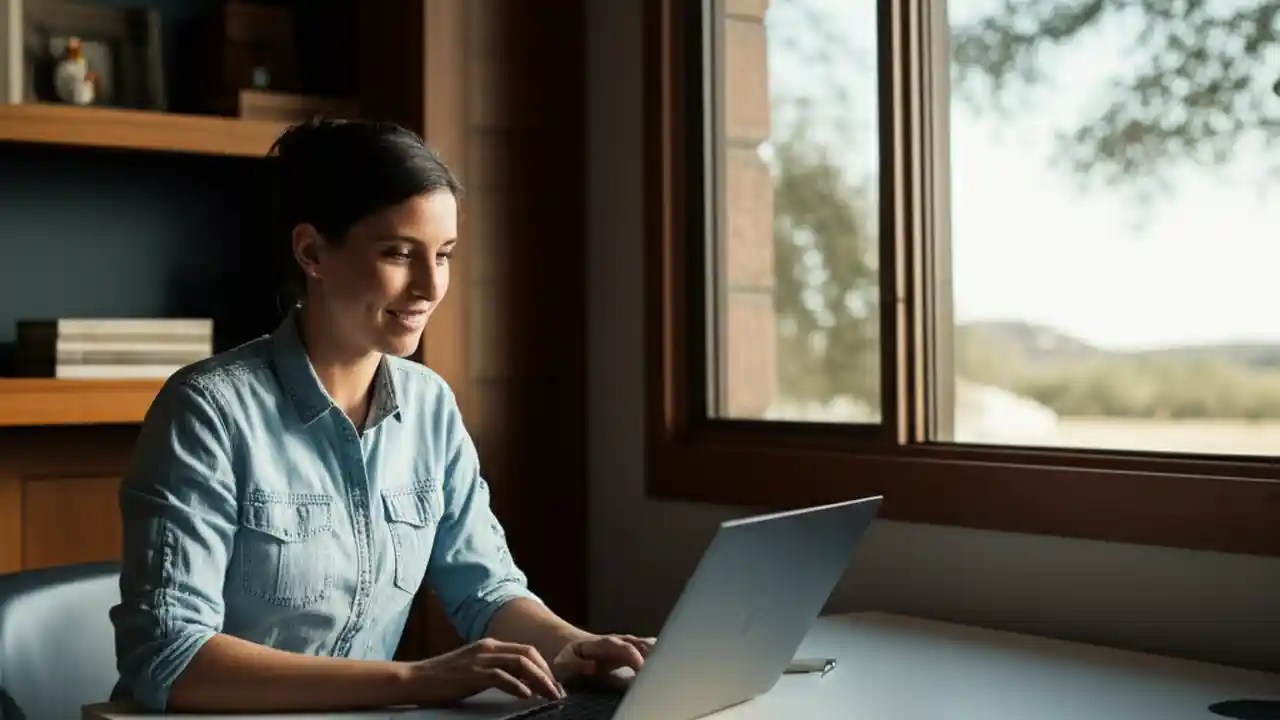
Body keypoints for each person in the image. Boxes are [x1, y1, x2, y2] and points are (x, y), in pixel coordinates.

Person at [110, 118, 651, 713]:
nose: (428, 286)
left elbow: (487, 590)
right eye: (399, 253)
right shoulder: (208, 412)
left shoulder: (430, 407)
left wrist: (577, 647)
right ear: (312, 251)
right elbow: (169, 656)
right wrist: (417, 681)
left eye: (442, 255)